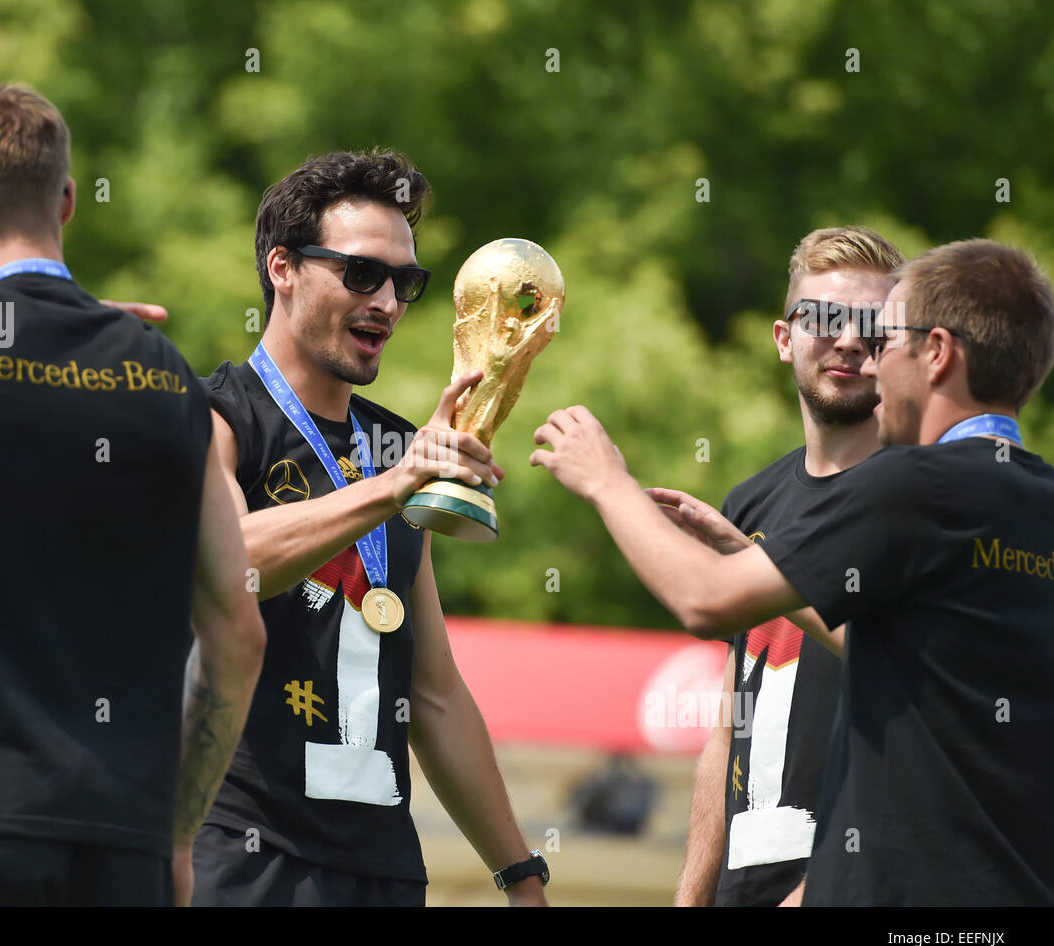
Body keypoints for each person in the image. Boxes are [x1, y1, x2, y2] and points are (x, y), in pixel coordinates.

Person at [0, 82, 264, 906]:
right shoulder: (169, 379)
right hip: (122, 843)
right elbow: (238, 635)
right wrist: (175, 837)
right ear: (66, 199)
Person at [531, 238, 1054, 905]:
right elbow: (927, 681)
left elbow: (702, 601)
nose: (866, 353)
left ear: (939, 352)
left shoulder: (914, 486)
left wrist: (607, 480)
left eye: (886, 336)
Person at [189, 149, 548, 906]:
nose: (386, 300)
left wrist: (521, 877)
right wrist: (393, 489)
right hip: (243, 855)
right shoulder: (214, 415)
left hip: (382, 870)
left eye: (404, 283)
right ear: (282, 268)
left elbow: (435, 692)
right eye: (361, 274)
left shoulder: (400, 447)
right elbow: (226, 565)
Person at [662, 227, 902, 907]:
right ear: (783, 337)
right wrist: (691, 896)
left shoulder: (921, 499)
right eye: (824, 317)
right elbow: (731, 720)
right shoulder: (751, 501)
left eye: (874, 326)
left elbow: (930, 719)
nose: (849, 340)